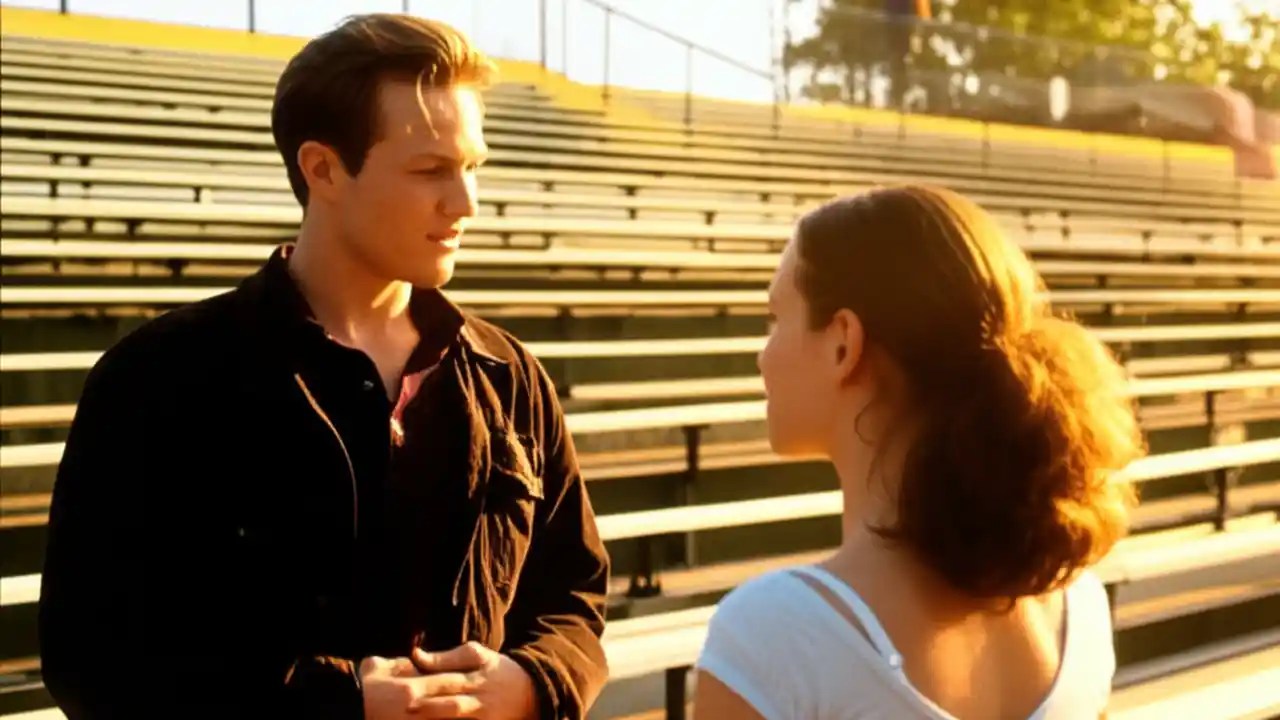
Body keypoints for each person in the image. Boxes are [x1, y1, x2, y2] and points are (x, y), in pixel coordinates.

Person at [38, 14, 609, 720]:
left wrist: (532, 683)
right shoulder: (158, 378)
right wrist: (337, 704)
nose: (465, 204)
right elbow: (93, 657)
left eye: (471, 168)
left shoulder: (510, 375)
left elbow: (575, 595)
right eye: (430, 170)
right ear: (323, 169)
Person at [693, 186, 1142, 719]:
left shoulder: (771, 638)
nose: (763, 358)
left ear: (843, 343)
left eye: (775, 319)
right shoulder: (1081, 610)